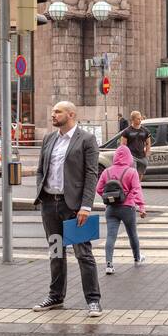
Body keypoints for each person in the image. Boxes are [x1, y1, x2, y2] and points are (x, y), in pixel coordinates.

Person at [32, 101, 103, 317]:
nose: (53, 115)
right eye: (52, 111)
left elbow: (91, 174)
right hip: (50, 204)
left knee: (84, 254)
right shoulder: (49, 138)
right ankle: (55, 297)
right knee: (56, 252)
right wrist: (41, 192)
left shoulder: (87, 140)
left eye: (57, 112)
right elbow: (40, 170)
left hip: (73, 207)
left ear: (70, 114)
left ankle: (93, 301)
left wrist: (86, 206)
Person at [95, 142, 145, 274]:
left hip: (111, 209)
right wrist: (141, 206)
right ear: (129, 157)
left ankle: (109, 265)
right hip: (127, 208)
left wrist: (108, 199)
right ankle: (137, 258)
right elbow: (136, 189)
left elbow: (99, 189)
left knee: (111, 236)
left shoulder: (107, 171)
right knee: (132, 234)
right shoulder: (131, 172)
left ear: (115, 157)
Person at [121, 111, 152, 180]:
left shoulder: (145, 130)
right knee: (133, 173)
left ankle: (137, 186)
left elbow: (148, 143)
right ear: (133, 119)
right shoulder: (127, 131)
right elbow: (123, 145)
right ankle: (134, 187)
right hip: (132, 156)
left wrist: (147, 153)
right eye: (138, 119)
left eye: (140, 118)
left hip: (142, 156)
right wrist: (126, 156)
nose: (140, 120)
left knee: (140, 173)